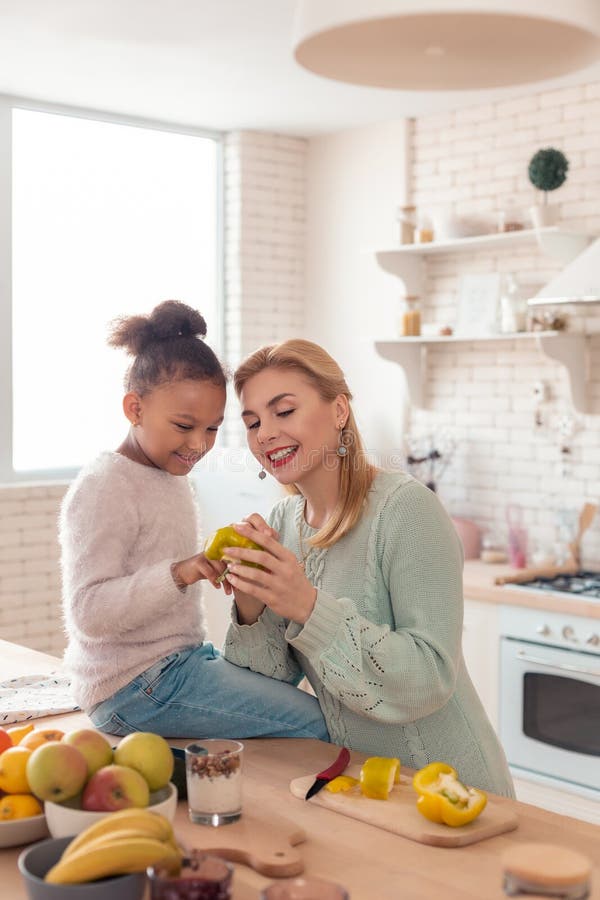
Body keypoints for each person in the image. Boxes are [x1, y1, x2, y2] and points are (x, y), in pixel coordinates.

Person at [221, 339, 515, 796]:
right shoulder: (281, 525)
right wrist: (251, 602)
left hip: (452, 790)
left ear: (339, 410)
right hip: (362, 788)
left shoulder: (405, 509)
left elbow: (430, 678)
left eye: (283, 411)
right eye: (253, 421)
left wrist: (308, 607)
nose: (265, 434)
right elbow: (266, 687)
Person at [59, 302, 329, 741]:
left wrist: (208, 567)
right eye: (184, 425)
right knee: (316, 723)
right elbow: (89, 613)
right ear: (134, 408)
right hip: (133, 688)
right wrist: (181, 573)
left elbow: (163, 585)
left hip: (176, 665)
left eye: (212, 429)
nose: (198, 444)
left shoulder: (167, 475)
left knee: (285, 684)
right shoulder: (105, 485)